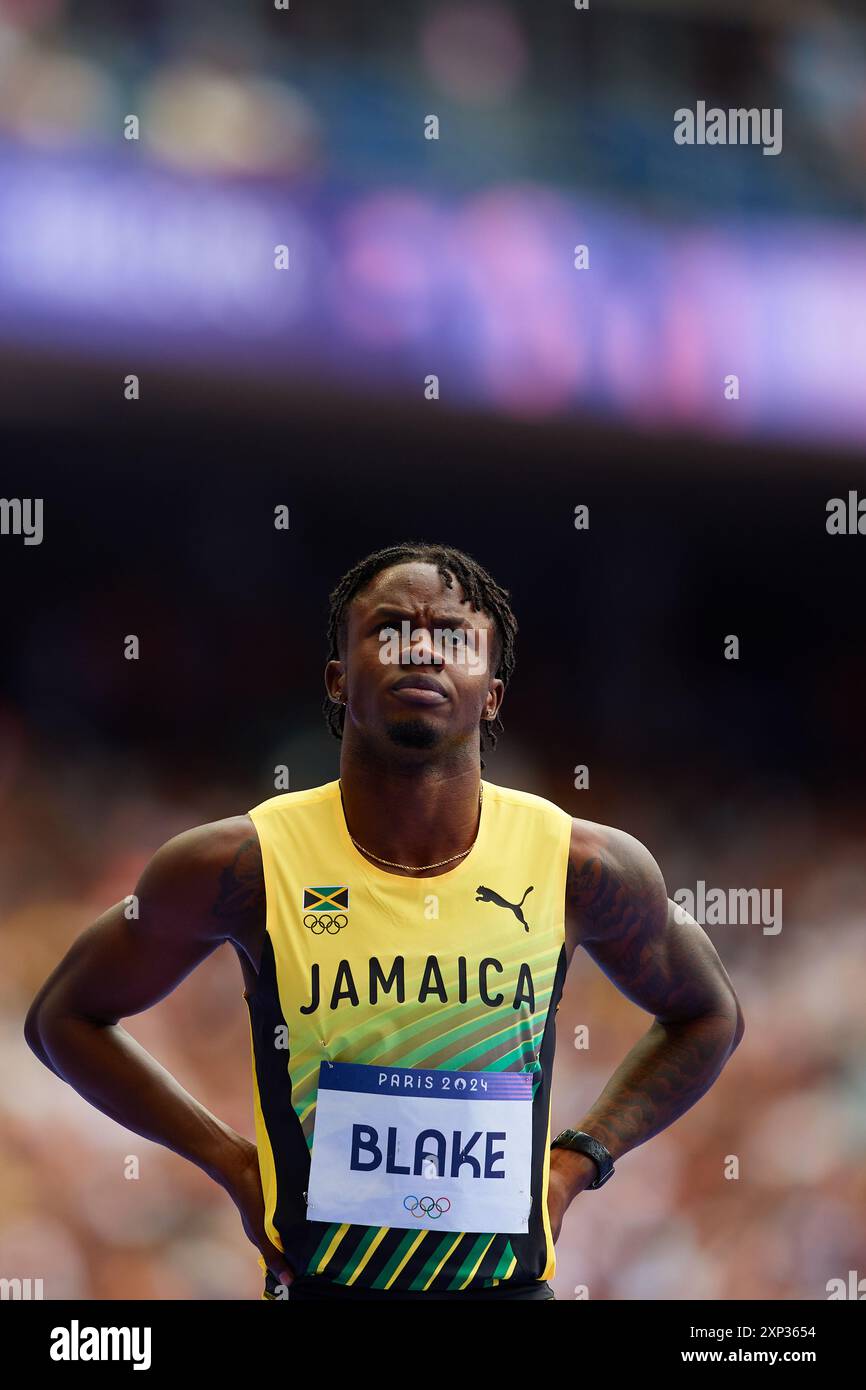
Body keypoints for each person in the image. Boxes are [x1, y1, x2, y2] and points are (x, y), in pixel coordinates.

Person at [24, 541, 744, 1301]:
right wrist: (233, 1164)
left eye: (454, 637)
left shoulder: (581, 864)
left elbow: (709, 1015)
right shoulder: (244, 863)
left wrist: (577, 1162)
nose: (422, 650)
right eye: (392, 629)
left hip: (504, 1288)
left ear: (491, 694)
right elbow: (64, 1019)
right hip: (325, 1286)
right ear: (339, 679)